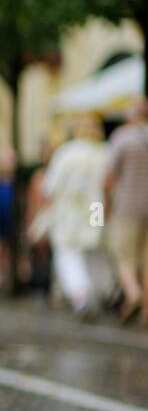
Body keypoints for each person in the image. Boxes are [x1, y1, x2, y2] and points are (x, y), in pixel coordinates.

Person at [43, 115, 110, 319]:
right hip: (96, 208)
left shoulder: (66, 152)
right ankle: (100, 293)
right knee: (96, 249)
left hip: (69, 210)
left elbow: (49, 187)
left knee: (68, 251)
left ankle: (80, 295)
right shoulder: (104, 152)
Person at [105, 97, 148, 326]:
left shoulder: (122, 137)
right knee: (146, 260)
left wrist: (101, 210)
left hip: (127, 207)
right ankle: (146, 313)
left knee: (123, 256)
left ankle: (133, 294)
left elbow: (108, 178)